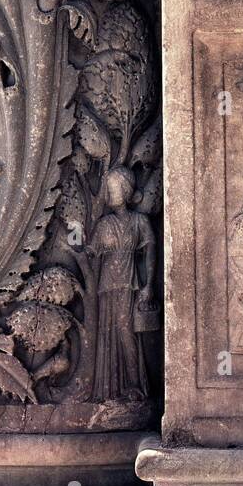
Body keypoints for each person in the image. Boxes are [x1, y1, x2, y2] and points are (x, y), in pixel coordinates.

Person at [90, 166, 157, 404]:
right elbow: (90, 252)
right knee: (107, 333)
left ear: (127, 189)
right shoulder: (103, 224)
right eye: (109, 188)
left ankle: (135, 386)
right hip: (106, 286)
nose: (112, 192)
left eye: (116, 187)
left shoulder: (140, 221)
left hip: (130, 284)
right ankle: (111, 390)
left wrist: (148, 286)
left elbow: (151, 252)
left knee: (126, 332)